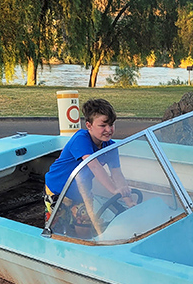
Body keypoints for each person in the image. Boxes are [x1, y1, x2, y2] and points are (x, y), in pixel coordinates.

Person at [44, 98, 133, 231]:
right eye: (103, 126)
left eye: (112, 124)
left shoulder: (111, 146)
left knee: (85, 228)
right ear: (89, 126)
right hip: (57, 191)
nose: (108, 130)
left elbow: (117, 173)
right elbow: (94, 166)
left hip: (81, 192)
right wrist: (113, 191)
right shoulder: (80, 139)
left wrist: (128, 201)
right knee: (55, 229)